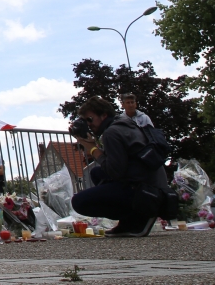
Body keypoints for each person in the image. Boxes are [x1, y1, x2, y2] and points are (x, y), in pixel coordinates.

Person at [69, 96, 169, 237]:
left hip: (146, 193)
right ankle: (132, 218)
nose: (88, 125)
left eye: (90, 119)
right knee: (97, 173)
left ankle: (138, 218)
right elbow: (120, 163)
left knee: (79, 202)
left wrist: (92, 149)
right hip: (153, 187)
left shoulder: (111, 133)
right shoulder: (126, 125)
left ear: (104, 115)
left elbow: (115, 171)